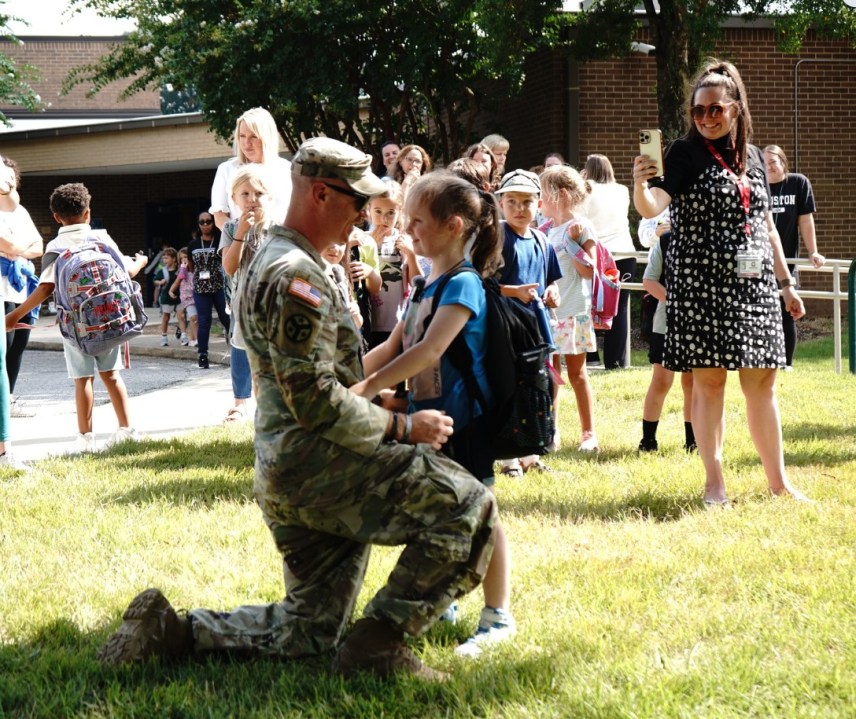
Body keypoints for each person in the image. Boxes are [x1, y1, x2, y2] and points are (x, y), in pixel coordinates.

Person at [97, 138, 497, 681]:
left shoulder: (273, 256)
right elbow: (313, 399)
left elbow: (318, 381)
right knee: (469, 506)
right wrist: (402, 425)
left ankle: (174, 632)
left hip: (290, 468)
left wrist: (375, 393)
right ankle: (379, 646)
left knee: (310, 629)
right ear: (320, 194)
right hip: (323, 467)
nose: (362, 215)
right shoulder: (297, 277)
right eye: (357, 202)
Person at [351, 172, 514, 658]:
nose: (410, 230)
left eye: (418, 221)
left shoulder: (464, 285)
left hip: (468, 424)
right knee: (436, 514)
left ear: (453, 226)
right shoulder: (425, 283)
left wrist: (367, 388)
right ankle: (446, 602)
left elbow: (429, 351)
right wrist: (341, 383)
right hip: (429, 423)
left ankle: (498, 617)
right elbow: (392, 345)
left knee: (484, 516)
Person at [633, 59, 807, 504]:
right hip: (701, 285)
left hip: (755, 286)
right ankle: (714, 483)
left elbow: (765, 224)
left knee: (762, 383)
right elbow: (653, 208)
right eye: (698, 111)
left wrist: (787, 284)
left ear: (735, 109)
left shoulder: (751, 156)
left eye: (715, 110)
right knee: (710, 383)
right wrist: (639, 185)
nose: (706, 118)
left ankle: (779, 483)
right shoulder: (683, 153)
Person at [5, 183, 147, 453]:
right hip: (110, 320)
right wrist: (139, 262)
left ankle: (86, 439)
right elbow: (127, 272)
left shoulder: (56, 247)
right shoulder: (103, 239)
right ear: (88, 213)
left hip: (76, 326)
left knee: (83, 380)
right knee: (112, 375)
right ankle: (127, 430)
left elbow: (46, 288)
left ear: (56, 217)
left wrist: (14, 316)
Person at [495, 169, 562, 476]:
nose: (520, 209)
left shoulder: (542, 240)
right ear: (500, 203)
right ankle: (508, 459)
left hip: (535, 327)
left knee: (535, 388)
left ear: (539, 203)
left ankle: (531, 454)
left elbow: (552, 282)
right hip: (502, 326)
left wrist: (552, 293)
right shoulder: (496, 237)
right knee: (507, 388)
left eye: (527, 202)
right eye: (512, 202)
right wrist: (513, 292)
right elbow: (479, 282)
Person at [539, 165, 599, 453]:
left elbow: (589, 271)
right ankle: (551, 430)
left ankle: (588, 433)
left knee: (577, 374)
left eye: (543, 194)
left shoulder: (581, 227)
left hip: (573, 311)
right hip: (549, 313)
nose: (539, 201)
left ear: (560, 195)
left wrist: (574, 243)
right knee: (550, 373)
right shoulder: (545, 229)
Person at [218, 165, 275, 422]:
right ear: (234, 199)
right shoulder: (230, 229)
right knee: (242, 350)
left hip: (273, 303)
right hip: (244, 304)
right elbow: (229, 267)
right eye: (245, 194)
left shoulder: (277, 228)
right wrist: (241, 233)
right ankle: (241, 402)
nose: (252, 199)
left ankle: (268, 405)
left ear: (269, 196)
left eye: (258, 193)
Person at [763, 145, 824, 369]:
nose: (769, 167)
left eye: (773, 162)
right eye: (764, 163)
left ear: (783, 162)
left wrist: (813, 251)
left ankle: (786, 364)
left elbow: (805, 220)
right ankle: (765, 361)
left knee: (787, 313)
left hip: (787, 262)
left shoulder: (798, 183)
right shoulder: (758, 185)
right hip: (760, 262)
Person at [637, 223, 696, 453]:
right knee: (661, 381)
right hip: (666, 323)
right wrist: (675, 302)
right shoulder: (665, 241)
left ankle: (693, 442)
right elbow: (649, 280)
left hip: (698, 326)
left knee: (691, 382)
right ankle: (648, 441)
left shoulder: (711, 241)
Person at [0, 157, 42, 468]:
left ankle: (8, 400)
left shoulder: (19, 210)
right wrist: (16, 248)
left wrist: (15, 250)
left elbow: (38, 245)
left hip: (19, 287)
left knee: (15, 346)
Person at [581, 153, 636, 369]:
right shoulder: (622, 190)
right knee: (620, 308)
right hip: (624, 252)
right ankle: (615, 361)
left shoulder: (585, 188)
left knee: (586, 306)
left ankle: (589, 355)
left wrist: (580, 179)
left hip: (597, 253)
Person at [209, 107, 293, 229]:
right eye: (242, 136)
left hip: (279, 243)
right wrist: (243, 239)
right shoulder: (226, 169)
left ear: (266, 137)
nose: (247, 142)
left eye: (253, 136)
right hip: (239, 244)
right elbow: (220, 218)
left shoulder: (286, 169)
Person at [366, 180, 422, 348]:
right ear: (368, 210)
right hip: (369, 320)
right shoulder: (362, 239)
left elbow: (418, 282)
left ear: (400, 212)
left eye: (391, 212)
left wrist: (411, 255)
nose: (384, 218)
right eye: (378, 211)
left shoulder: (404, 241)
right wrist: (369, 246)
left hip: (397, 321)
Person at [187, 211, 228, 369]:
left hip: (218, 286)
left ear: (213, 222)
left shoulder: (220, 241)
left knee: (226, 318)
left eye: (208, 221)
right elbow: (191, 267)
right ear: (198, 225)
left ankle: (238, 348)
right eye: (202, 222)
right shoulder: (193, 245)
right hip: (201, 288)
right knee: (204, 321)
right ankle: (202, 355)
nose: (205, 225)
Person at [168, 247, 197, 347]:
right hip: (187, 298)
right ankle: (195, 339)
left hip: (197, 296)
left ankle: (194, 339)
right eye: (181, 259)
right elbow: (178, 281)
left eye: (186, 257)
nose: (184, 260)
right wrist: (171, 291)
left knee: (197, 320)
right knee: (193, 317)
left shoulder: (196, 270)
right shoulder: (182, 270)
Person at [155, 247, 179, 347]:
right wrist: (160, 282)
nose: (165, 260)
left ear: (174, 259)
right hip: (166, 297)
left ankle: (182, 333)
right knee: (166, 317)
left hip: (179, 296)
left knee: (182, 316)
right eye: (164, 258)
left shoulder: (179, 269)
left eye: (167, 258)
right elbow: (155, 280)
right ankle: (164, 336)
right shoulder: (162, 271)